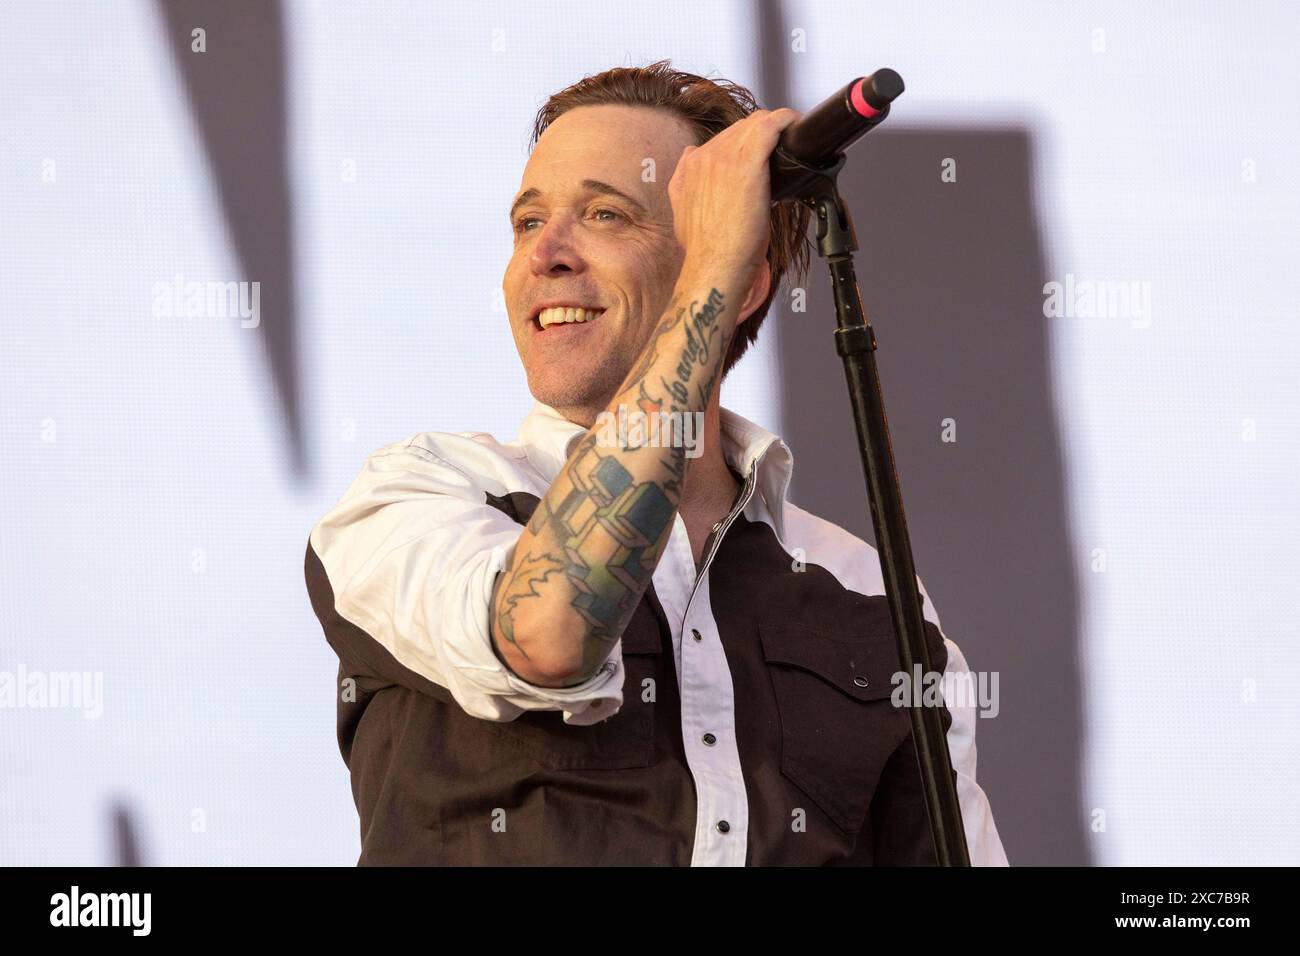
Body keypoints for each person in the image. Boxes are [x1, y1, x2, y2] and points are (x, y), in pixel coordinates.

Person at [304, 60, 1008, 866]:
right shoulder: (417, 497)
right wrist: (709, 268)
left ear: (743, 285)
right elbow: (548, 634)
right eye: (528, 222)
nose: (547, 255)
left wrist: (718, 261)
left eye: (605, 214)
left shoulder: (870, 593)